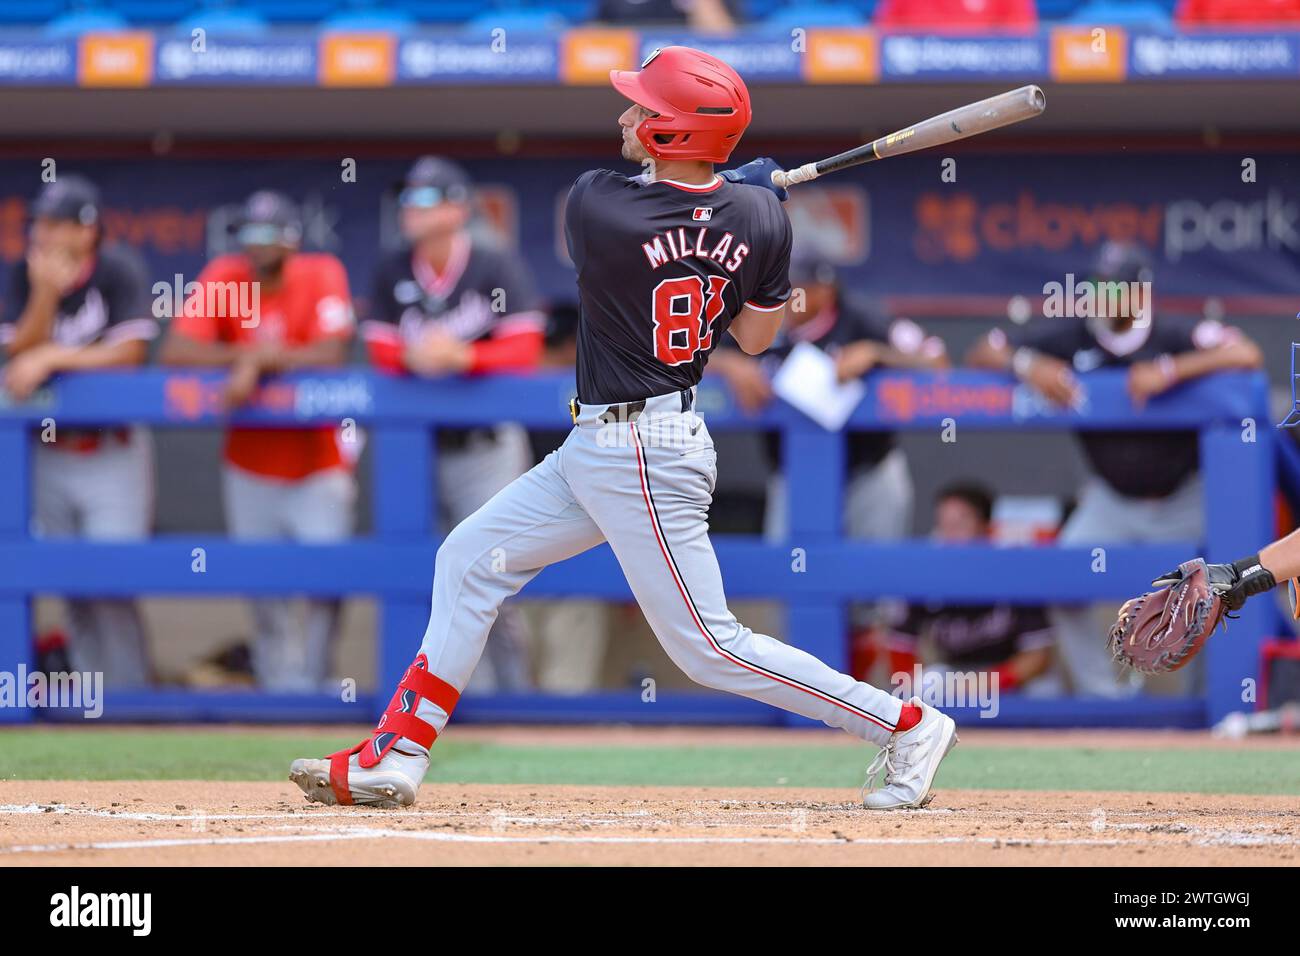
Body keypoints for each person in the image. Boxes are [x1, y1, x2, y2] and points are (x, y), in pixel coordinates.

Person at [290, 46, 958, 811]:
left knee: (710, 648)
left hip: (645, 452)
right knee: (469, 559)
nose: (626, 117)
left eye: (644, 110)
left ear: (676, 132)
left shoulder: (595, 204)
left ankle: (905, 725)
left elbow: (671, 217)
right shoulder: (763, 219)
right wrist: (744, 210)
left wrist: (732, 198)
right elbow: (756, 336)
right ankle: (400, 754)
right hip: (602, 446)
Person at [966, 240, 1263, 696]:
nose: (1103, 297)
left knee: (1222, 585)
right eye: (1096, 286)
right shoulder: (1070, 337)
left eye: (1115, 288)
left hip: (1184, 496)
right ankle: (1103, 699)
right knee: (1064, 579)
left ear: (1141, 292)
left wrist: (1171, 370)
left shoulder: (1171, 333)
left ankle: (1206, 701)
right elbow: (981, 351)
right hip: (1112, 500)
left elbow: (1246, 353)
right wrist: (1027, 363)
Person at [159, 190, 356, 691]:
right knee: (264, 586)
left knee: (327, 582)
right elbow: (177, 351)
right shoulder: (226, 276)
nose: (259, 242)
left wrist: (263, 359)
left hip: (318, 463)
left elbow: (331, 353)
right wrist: (243, 358)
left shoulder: (320, 272)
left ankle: (317, 683)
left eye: (270, 232)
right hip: (250, 464)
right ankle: (279, 690)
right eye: (251, 232)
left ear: (292, 239)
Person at [362, 156, 545, 692]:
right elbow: (379, 347)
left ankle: (515, 699)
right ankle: (454, 700)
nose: (410, 209)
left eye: (425, 199)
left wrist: (465, 358)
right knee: (425, 577)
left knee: (494, 576)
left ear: (457, 209)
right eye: (407, 199)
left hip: (486, 446)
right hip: (414, 450)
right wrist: (413, 356)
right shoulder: (392, 267)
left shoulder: (493, 264)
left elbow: (525, 349)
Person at [1, 174, 158, 686]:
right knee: (70, 585)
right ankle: (94, 701)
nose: (42, 233)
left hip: (110, 449)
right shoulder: (24, 274)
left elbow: (130, 354)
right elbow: (18, 358)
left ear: (86, 230)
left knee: (111, 581)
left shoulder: (117, 269)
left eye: (55, 223)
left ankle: (131, 698)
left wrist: (55, 357)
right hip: (49, 452)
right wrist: (45, 294)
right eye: (40, 223)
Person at [883, 483, 1055, 696]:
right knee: (916, 687)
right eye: (944, 525)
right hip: (956, 674)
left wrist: (981, 685)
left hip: (1010, 676)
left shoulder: (1012, 568)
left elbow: (1038, 658)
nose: (950, 534)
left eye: (960, 524)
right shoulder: (926, 573)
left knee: (1045, 691)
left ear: (985, 527)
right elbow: (899, 649)